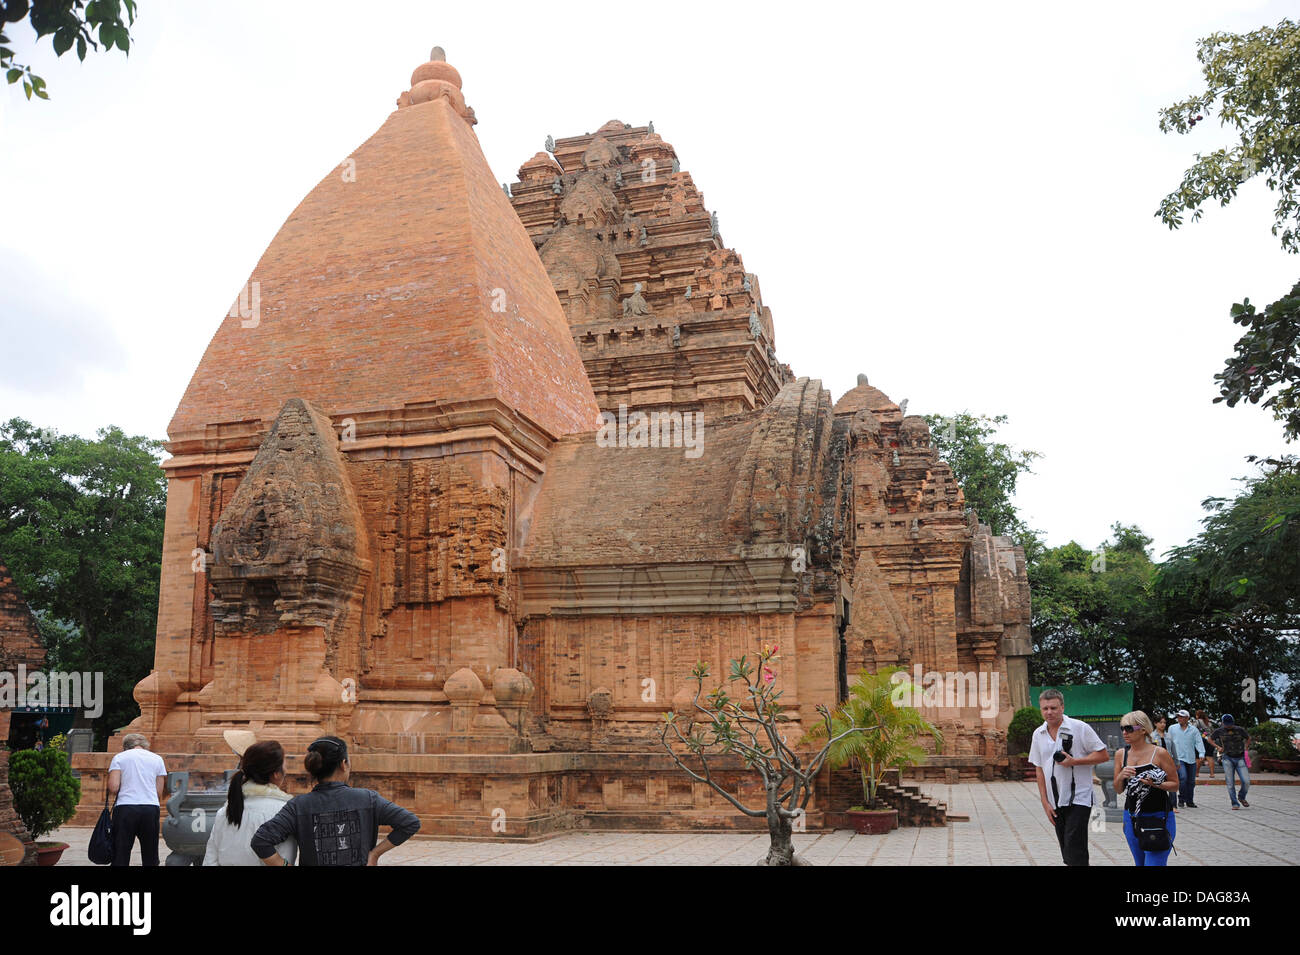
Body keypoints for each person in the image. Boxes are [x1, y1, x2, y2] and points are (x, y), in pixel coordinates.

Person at [251, 736, 419, 866]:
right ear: (344, 764)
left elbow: (261, 841)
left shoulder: (298, 806)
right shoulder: (368, 799)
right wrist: (374, 854)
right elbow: (410, 823)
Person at [1029, 689, 1110, 866]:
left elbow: (1103, 755)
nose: (1049, 712)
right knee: (1067, 849)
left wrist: (1075, 761)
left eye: (1053, 708)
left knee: (1074, 846)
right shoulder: (1038, 734)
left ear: (1062, 707)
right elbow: (1039, 769)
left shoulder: (1079, 728)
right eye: (1045, 708)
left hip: (1079, 797)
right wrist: (1044, 801)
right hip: (1055, 800)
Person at [203, 740, 298, 866]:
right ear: (276, 774)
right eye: (284, 765)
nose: (286, 770)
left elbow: (210, 860)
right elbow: (283, 859)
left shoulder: (226, 810)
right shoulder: (284, 812)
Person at [1115, 711, 1178, 866]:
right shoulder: (1121, 754)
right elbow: (1118, 789)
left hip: (1159, 817)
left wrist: (1156, 784)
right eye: (1122, 728)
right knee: (1140, 863)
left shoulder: (1160, 753)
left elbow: (1175, 785)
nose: (1124, 732)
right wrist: (1121, 775)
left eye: (1129, 728)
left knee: (1154, 863)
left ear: (1143, 730)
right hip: (1132, 818)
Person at [106, 733, 167, 867]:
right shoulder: (157, 759)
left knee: (121, 852)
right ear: (145, 745)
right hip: (150, 807)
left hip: (125, 807)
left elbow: (114, 787)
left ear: (125, 746)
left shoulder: (119, 758)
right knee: (150, 852)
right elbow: (159, 791)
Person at [1209, 714, 1252, 810]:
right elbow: (1210, 739)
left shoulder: (1239, 730)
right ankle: (1234, 803)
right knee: (1230, 782)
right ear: (1223, 723)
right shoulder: (1219, 731)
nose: (1229, 726)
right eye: (1227, 724)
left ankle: (1241, 796)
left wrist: (1246, 747)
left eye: (1230, 724)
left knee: (1246, 781)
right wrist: (1218, 747)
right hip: (1227, 757)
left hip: (1240, 757)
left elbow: (1248, 738)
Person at [1167, 710, 1205, 808]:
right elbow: (1168, 742)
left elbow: (1198, 742)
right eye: (1178, 717)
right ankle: (1182, 798)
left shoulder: (1194, 730)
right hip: (1178, 758)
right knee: (1183, 778)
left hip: (1191, 758)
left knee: (1191, 782)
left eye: (1182, 717)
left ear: (1187, 718)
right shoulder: (1172, 728)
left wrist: (1201, 753)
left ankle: (1190, 801)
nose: (1179, 718)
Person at [1195, 710, 1218, 778]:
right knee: (1210, 757)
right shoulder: (1209, 722)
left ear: (1198, 715)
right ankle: (1212, 774)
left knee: (1198, 757)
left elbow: (1194, 730)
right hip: (1210, 740)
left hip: (1201, 740)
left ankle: (1196, 773)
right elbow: (1213, 732)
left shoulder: (1198, 721)